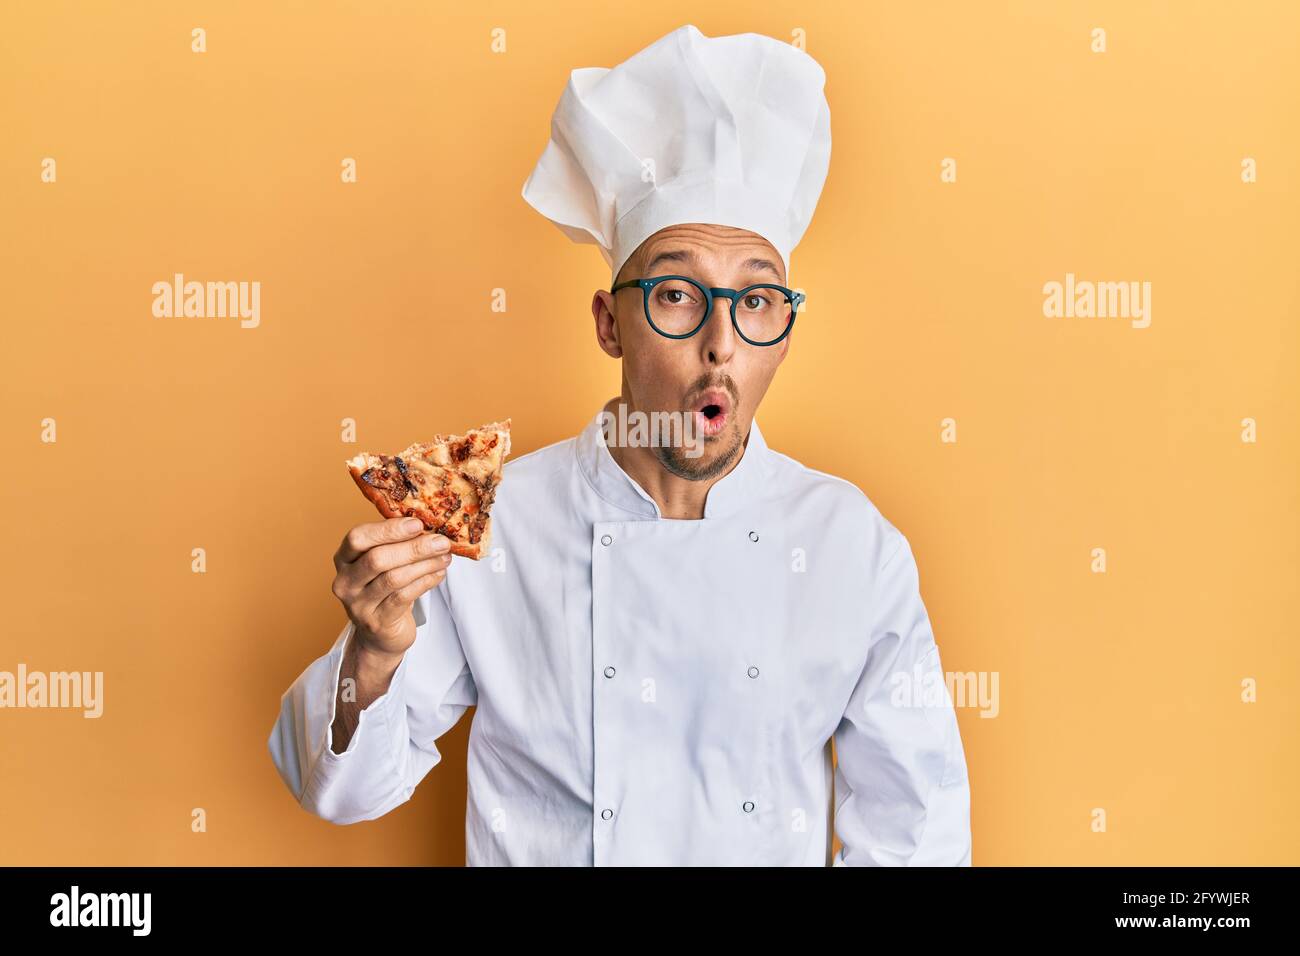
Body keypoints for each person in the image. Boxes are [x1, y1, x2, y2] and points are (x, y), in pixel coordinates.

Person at [268, 22, 971, 866]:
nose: (721, 345)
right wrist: (374, 650)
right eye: (678, 295)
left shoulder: (849, 545)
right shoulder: (498, 523)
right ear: (610, 324)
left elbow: (917, 832)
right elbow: (336, 789)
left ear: (783, 333)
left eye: (757, 302)